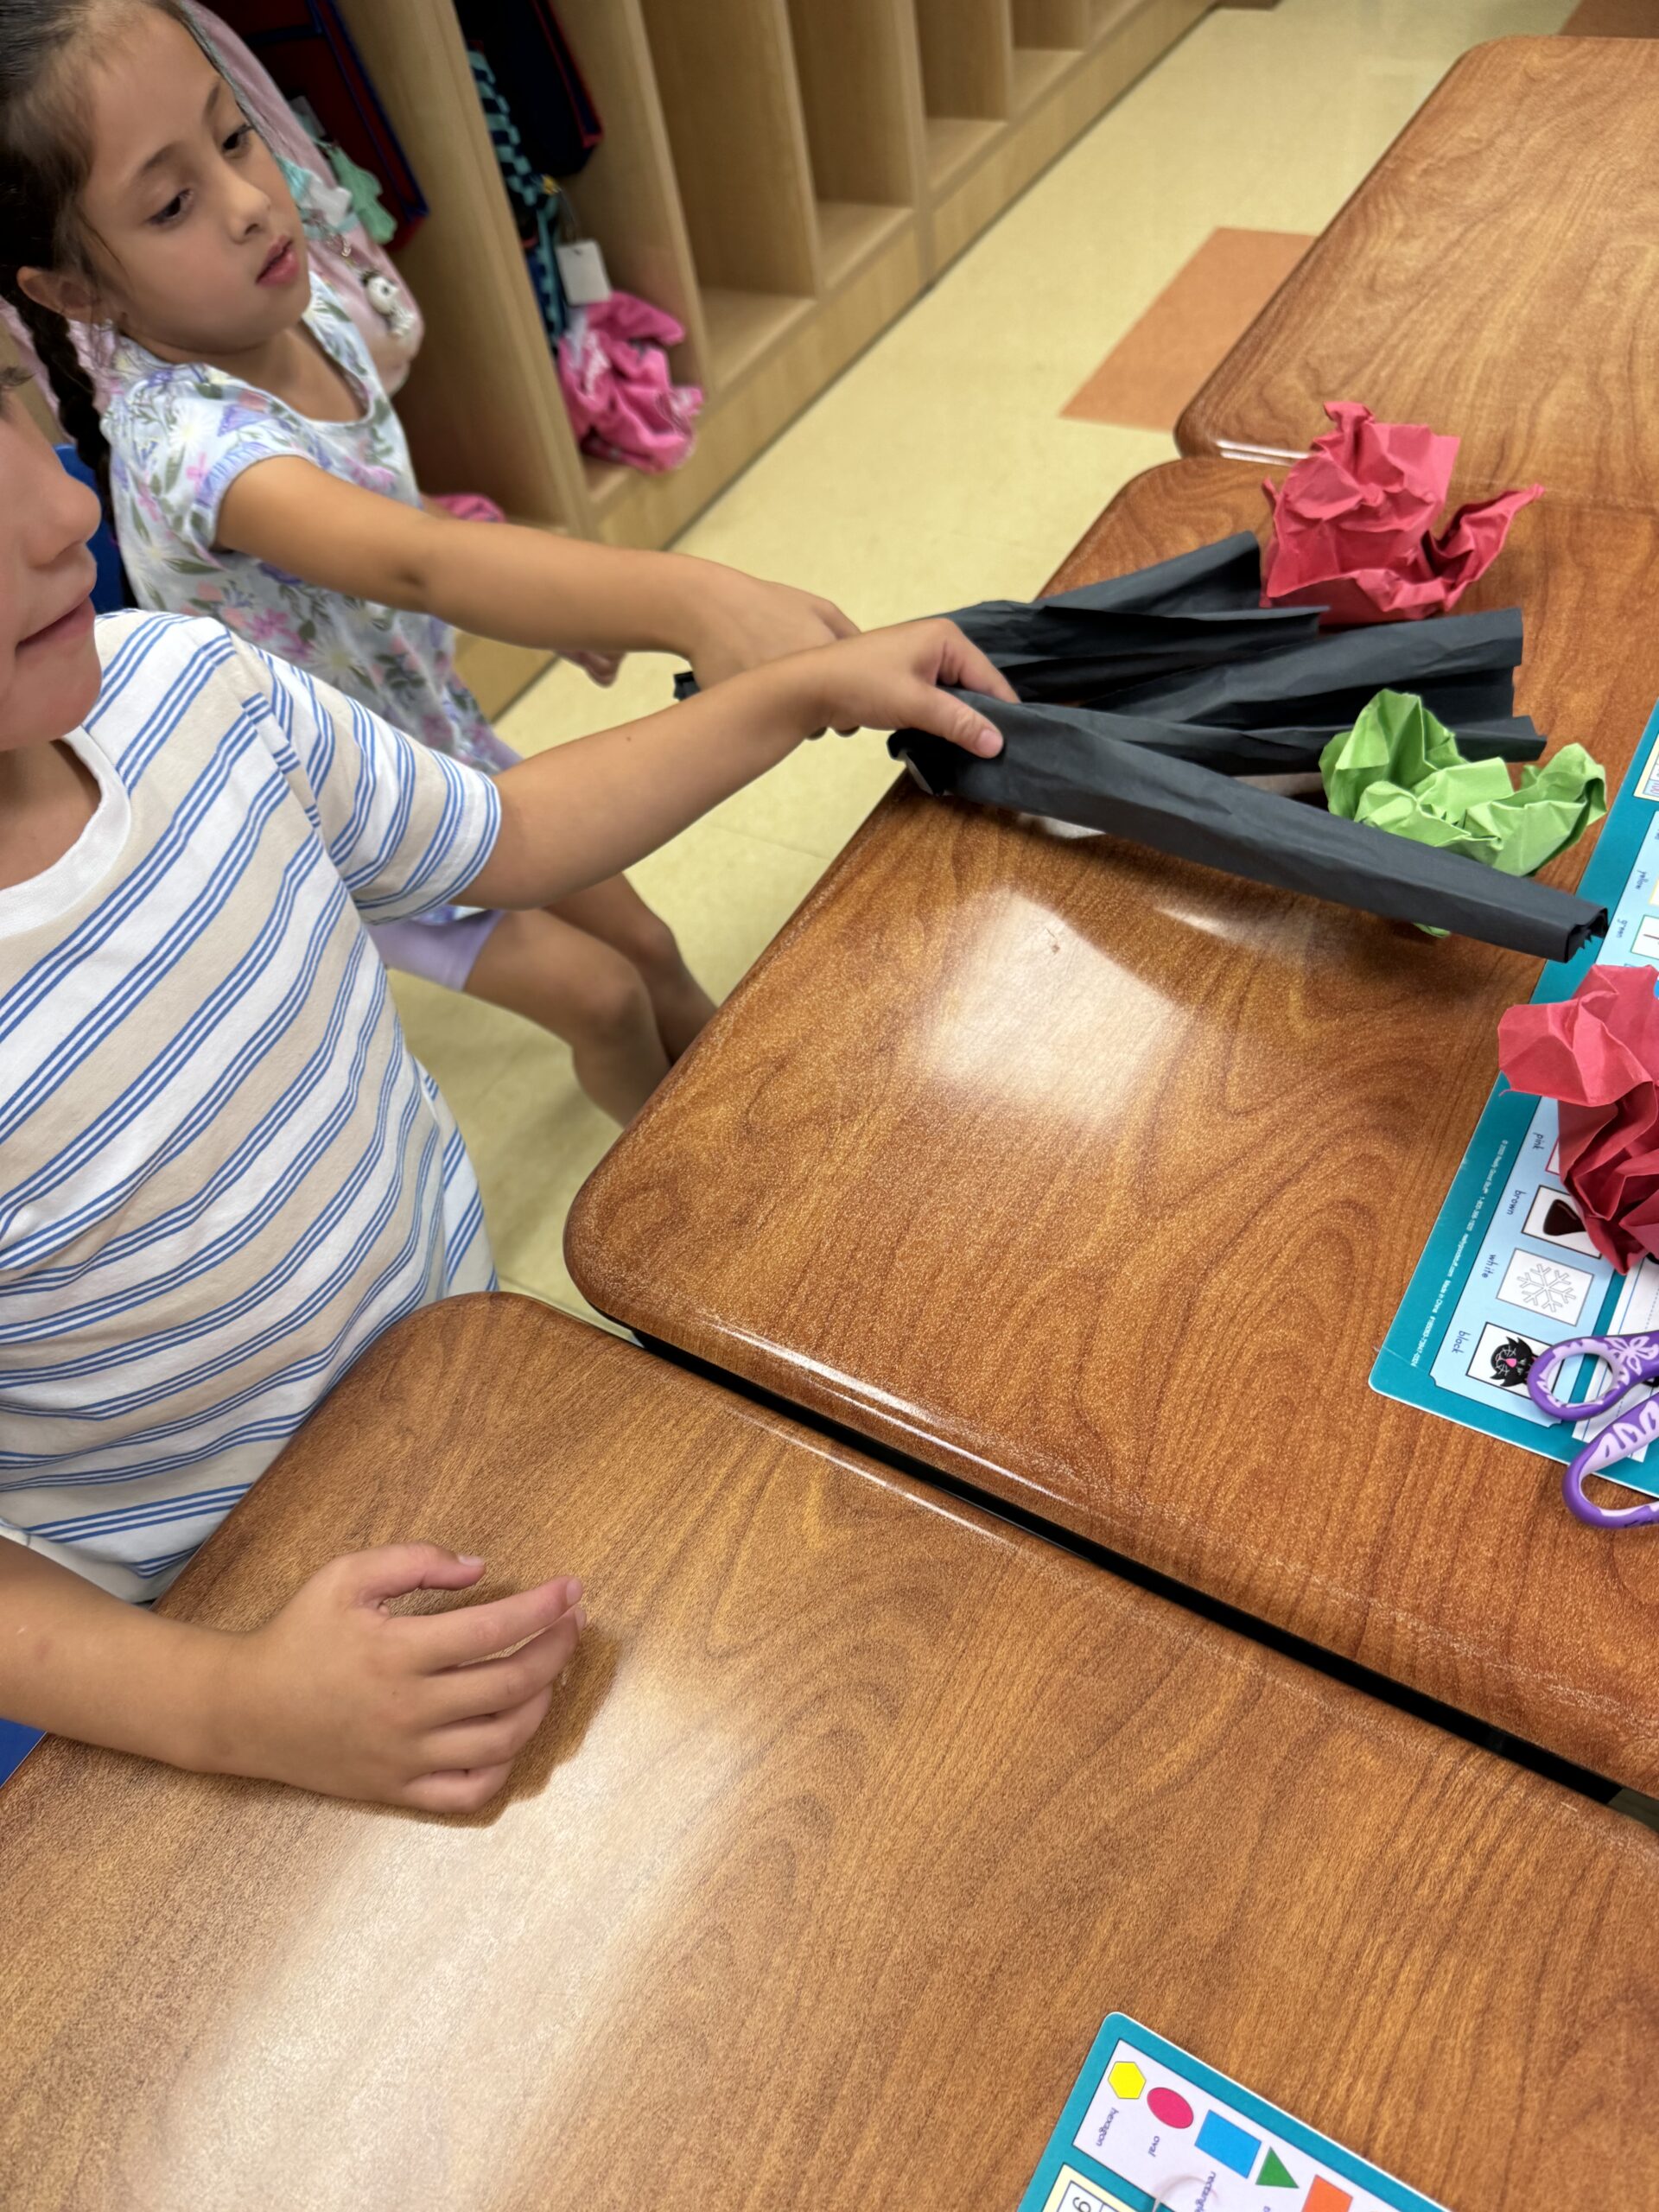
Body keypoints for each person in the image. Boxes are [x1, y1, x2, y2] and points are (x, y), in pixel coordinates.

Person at [0, 377, 1011, 1808]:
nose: (67, 507)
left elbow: (508, 834)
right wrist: (233, 1703)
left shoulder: (187, 688)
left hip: (485, 1397)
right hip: (224, 1618)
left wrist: (786, 696)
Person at [0, 0, 868, 1123]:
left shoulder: (311, 321)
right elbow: (410, 562)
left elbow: (396, 521)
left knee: (645, 941)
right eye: (173, 204)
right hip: (327, 814)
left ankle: (758, 1128)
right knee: (601, 997)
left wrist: (533, 595)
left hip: (431, 738)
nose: (255, 205)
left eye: (232, 137)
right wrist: (697, 600)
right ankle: (683, 1210)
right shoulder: (195, 448)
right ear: (77, 295)